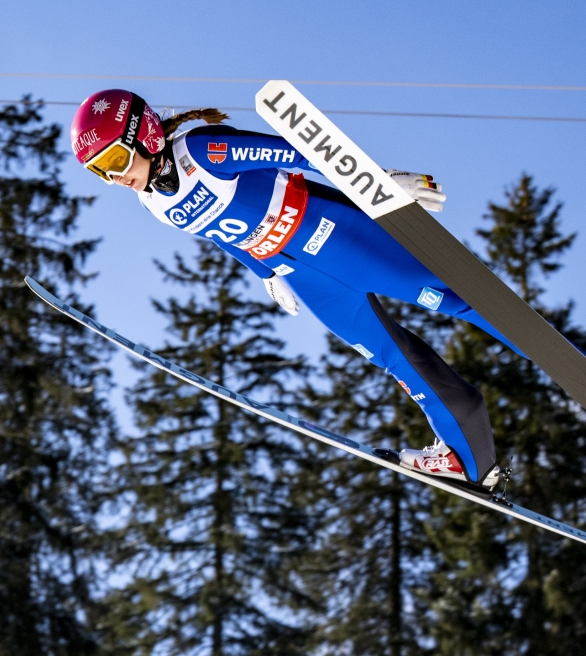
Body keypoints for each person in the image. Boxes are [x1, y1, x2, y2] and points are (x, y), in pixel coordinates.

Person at [71, 89, 539, 488]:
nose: (114, 177)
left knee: (449, 297)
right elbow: (221, 233)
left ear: (145, 134)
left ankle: (566, 362)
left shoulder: (202, 150)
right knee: (387, 354)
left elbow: (295, 152)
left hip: (333, 233)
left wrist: (377, 183)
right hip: (303, 275)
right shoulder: (153, 202)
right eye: (99, 171)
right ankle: (469, 458)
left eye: (114, 159)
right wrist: (267, 274)